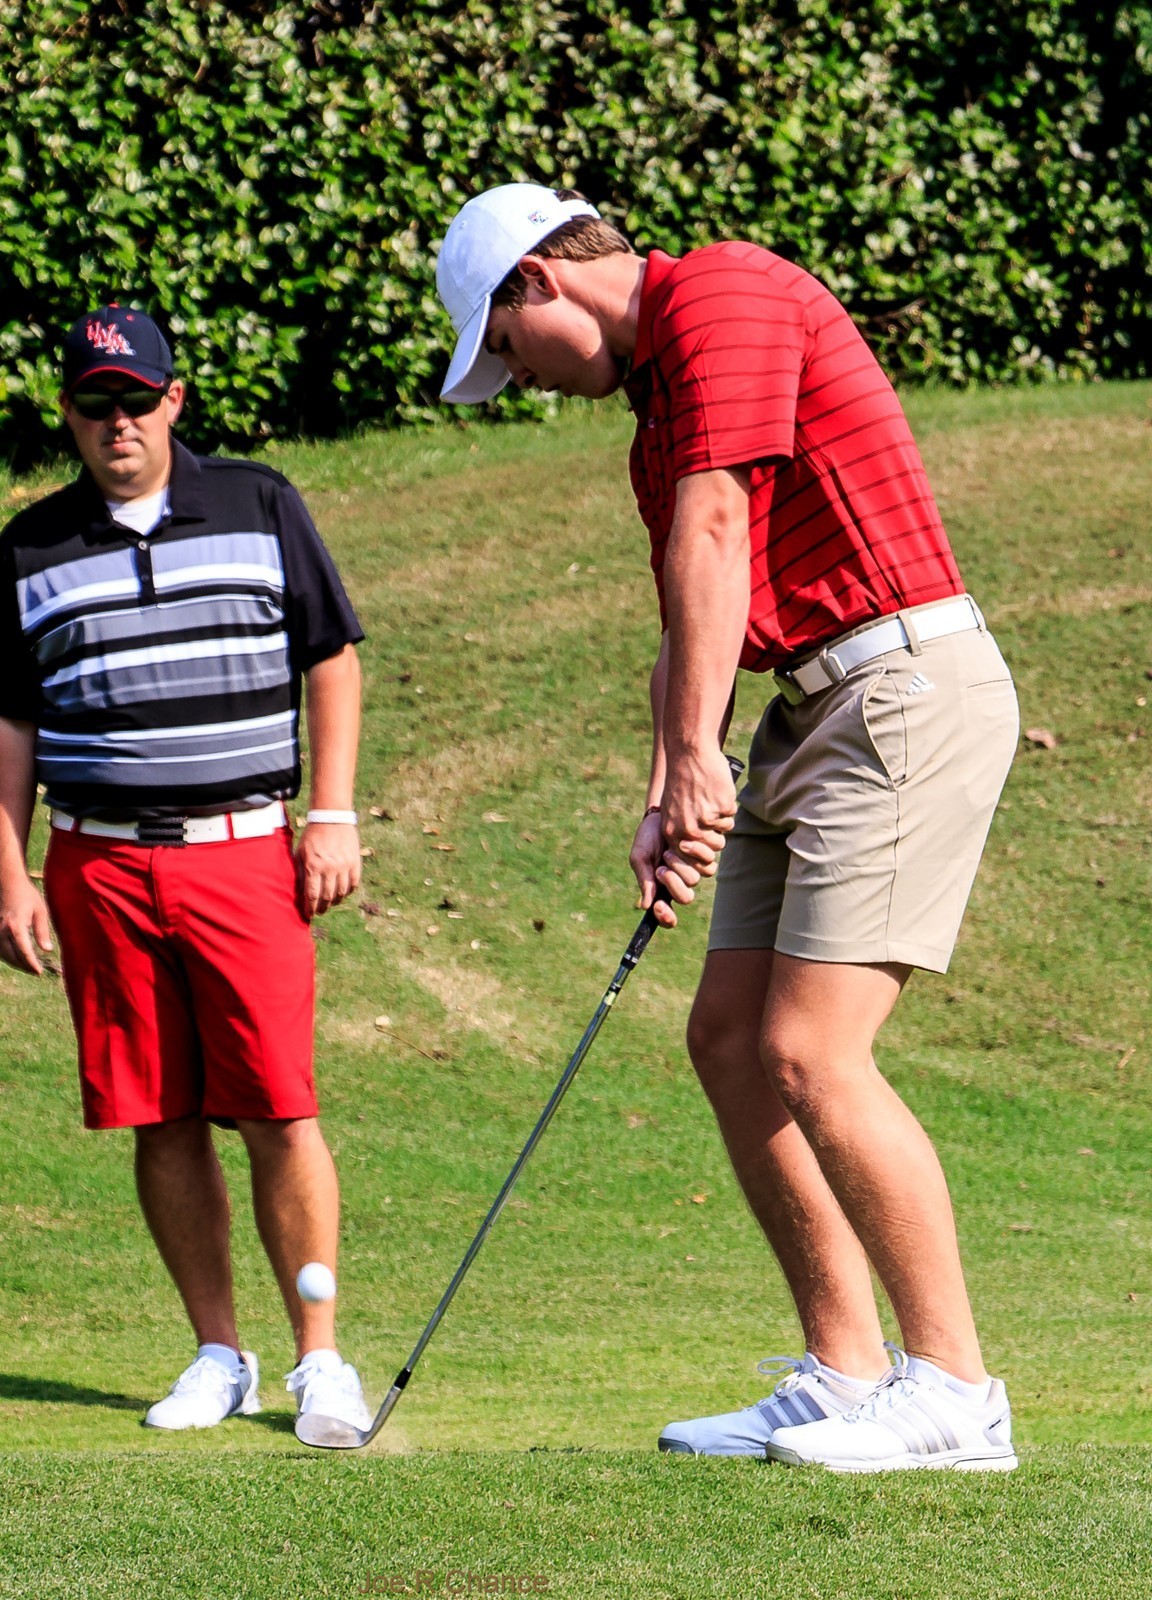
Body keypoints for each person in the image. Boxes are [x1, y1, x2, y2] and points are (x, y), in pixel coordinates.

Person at [431, 184, 1020, 1471]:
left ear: (537, 281)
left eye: (506, 350)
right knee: (727, 1039)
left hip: (899, 686)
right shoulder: (656, 418)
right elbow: (689, 607)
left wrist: (700, 755)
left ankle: (957, 1395)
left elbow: (717, 526)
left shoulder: (724, 293)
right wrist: (665, 785)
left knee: (812, 1049)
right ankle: (843, 1373)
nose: (519, 378)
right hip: (806, 710)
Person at [0, 304, 373, 1437]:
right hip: (96, 862)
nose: (117, 422)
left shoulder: (256, 501)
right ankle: (217, 1352)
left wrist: (330, 813)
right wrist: (10, 872)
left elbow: (329, 657)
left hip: (243, 851)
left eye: (137, 399)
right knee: (159, 1113)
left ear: (173, 400)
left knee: (280, 1105)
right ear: (70, 415)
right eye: (94, 404)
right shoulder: (33, 544)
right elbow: (8, 723)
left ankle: (320, 1361)